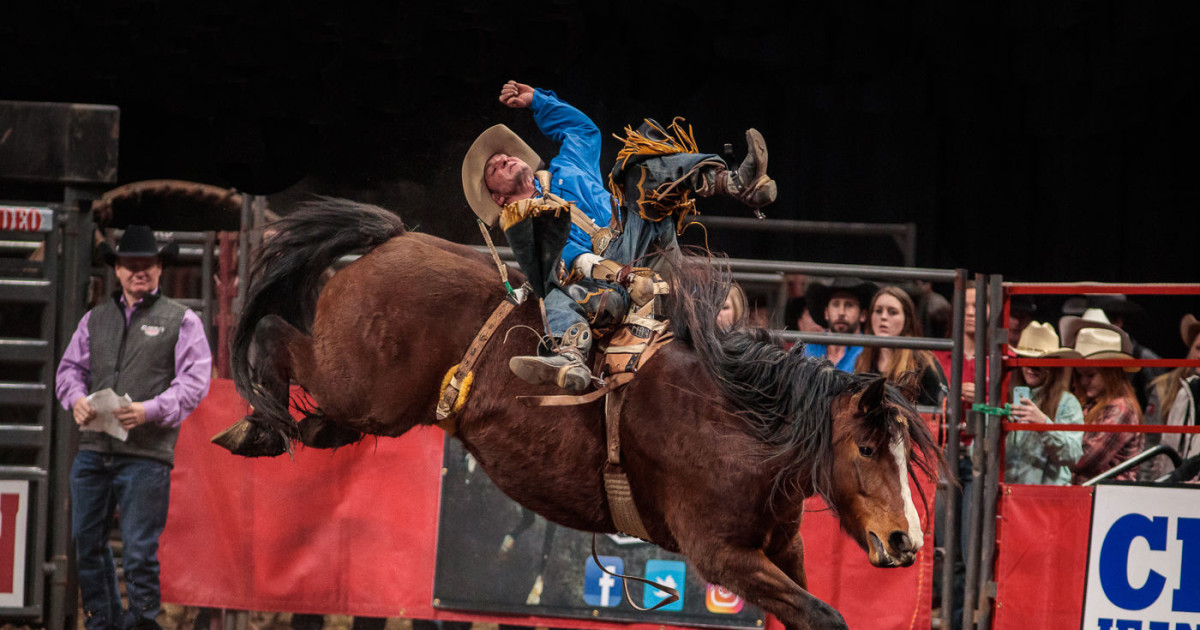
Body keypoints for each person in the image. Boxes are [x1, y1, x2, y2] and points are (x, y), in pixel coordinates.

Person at [462, 80, 777, 392]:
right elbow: (565, 260)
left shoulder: (568, 166)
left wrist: (538, 101)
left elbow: (582, 131)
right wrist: (619, 275)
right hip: (602, 288)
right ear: (499, 199)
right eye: (495, 169)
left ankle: (733, 182)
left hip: (640, 241)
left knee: (634, 169)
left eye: (507, 156)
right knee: (556, 291)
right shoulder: (523, 227)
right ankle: (569, 351)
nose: (506, 158)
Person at [55, 225, 212, 630]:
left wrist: (150, 410)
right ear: (118, 270)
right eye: (130, 265)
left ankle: (141, 622)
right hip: (95, 447)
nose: (138, 271)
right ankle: (103, 621)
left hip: (145, 453)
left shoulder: (182, 320)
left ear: (159, 268)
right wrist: (76, 400)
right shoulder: (96, 319)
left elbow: (194, 382)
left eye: (146, 264)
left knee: (140, 550)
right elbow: (69, 371)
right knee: (87, 544)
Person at [1059, 320, 1144, 484]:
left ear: (1110, 373)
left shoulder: (1122, 407)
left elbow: (1085, 460)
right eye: (1080, 375)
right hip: (1089, 494)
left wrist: (1050, 445)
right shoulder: (1089, 403)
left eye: (1091, 375)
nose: (1084, 381)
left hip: (1109, 498)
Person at [1004, 322, 1084, 485]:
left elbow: (1073, 455)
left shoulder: (1067, 403)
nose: (1033, 367)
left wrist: (1044, 424)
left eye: (1041, 360)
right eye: (1028, 358)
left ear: (1054, 365)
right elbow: (976, 455)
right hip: (1006, 493)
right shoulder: (1005, 397)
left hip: (1045, 498)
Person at [853, 286, 947, 406]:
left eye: (892, 312)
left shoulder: (923, 361)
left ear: (906, 320)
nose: (883, 317)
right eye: (878, 311)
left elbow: (941, 409)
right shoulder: (862, 359)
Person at [1143, 313, 1200, 480]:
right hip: (1167, 480)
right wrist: (1143, 486)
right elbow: (1150, 443)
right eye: (1198, 348)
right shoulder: (1165, 386)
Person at [801, 277, 877, 371]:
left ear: (863, 315)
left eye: (849, 305)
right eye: (836, 304)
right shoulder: (809, 347)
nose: (841, 312)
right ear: (826, 313)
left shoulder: (869, 352)